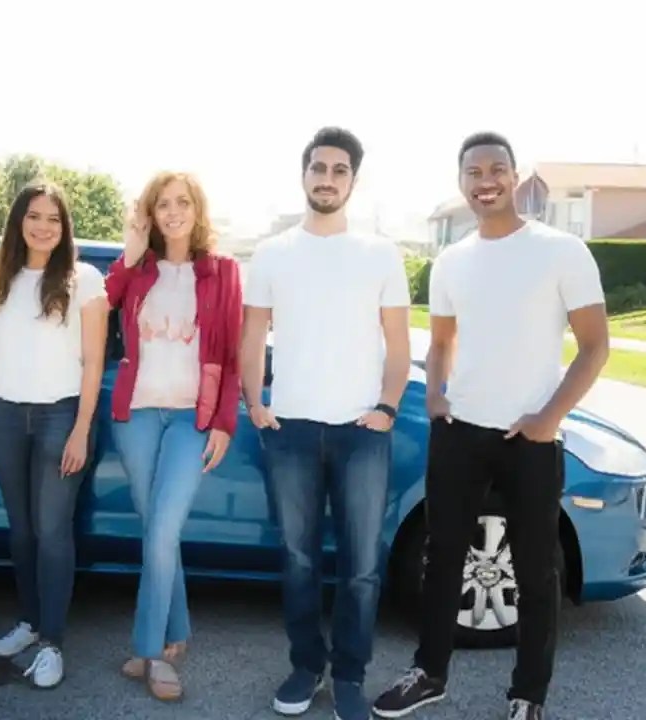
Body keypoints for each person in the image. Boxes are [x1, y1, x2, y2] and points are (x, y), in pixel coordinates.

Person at [370, 131, 609, 720]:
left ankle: (527, 696)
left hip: (530, 437)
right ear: (461, 182)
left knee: (534, 571)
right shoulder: (452, 262)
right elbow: (442, 343)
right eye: (473, 172)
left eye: (496, 169)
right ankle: (429, 673)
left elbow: (596, 347)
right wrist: (434, 403)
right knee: (442, 558)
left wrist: (548, 419)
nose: (485, 181)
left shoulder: (561, 251)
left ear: (515, 175)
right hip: (460, 434)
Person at [239, 127, 412, 720]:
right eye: (319, 167)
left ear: (352, 182)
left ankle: (349, 677)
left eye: (340, 170)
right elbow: (253, 330)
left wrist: (387, 407)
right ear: (304, 174)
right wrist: (254, 398)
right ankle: (306, 666)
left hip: (361, 431)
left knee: (362, 565)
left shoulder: (380, 253)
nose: (328, 178)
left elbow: (397, 341)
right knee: (298, 559)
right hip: (289, 428)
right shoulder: (273, 252)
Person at [104, 171, 244, 702]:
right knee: (155, 529)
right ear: (151, 212)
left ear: (197, 208)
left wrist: (225, 422)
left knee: (163, 531)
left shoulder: (223, 271)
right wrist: (130, 249)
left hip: (192, 416)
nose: (173, 211)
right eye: (163, 204)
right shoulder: (136, 269)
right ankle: (177, 627)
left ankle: (152, 652)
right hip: (136, 414)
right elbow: (105, 300)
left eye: (182, 202)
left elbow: (230, 350)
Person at [0, 181, 109, 688]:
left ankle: (52, 642)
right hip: (6, 417)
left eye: (53, 218)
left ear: (64, 225)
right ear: (19, 221)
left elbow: (94, 361)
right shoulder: (0, 279)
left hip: (59, 417)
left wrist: (81, 429)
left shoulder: (84, 278)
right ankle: (29, 622)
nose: (43, 226)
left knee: (53, 533)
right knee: (22, 531)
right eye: (34, 216)